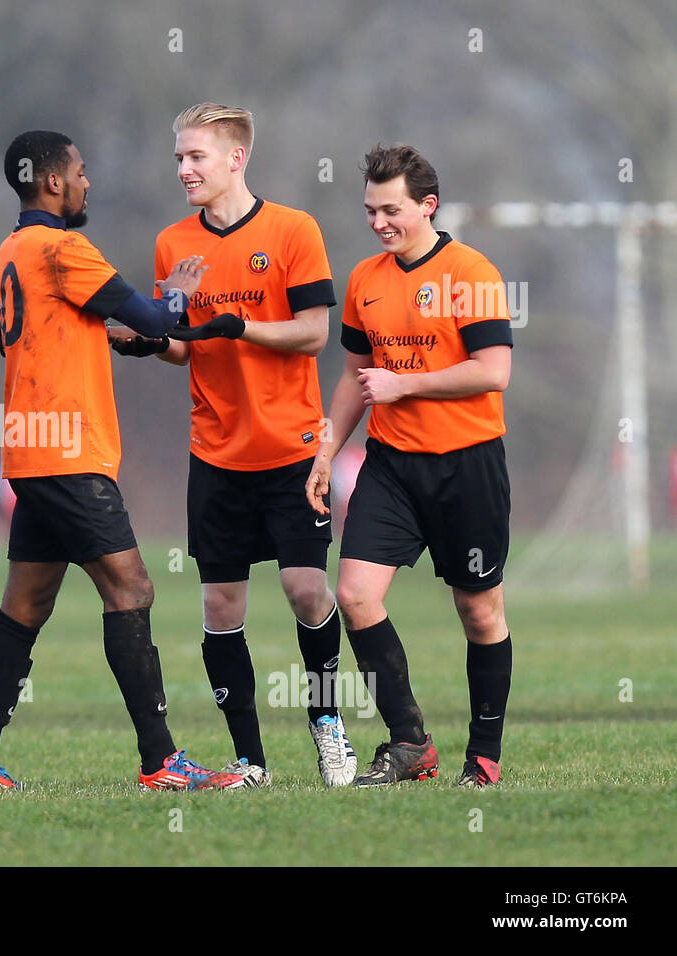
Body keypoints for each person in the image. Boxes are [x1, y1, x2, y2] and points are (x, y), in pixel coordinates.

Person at [0, 129, 245, 791]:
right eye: (80, 171)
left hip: (31, 448)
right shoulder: (63, 247)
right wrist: (180, 292)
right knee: (132, 589)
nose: (86, 183)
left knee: (25, 604)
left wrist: (122, 330)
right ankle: (163, 763)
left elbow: (42, 333)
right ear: (52, 182)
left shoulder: (11, 251)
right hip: (68, 452)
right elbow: (155, 317)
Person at [112, 103, 356, 788]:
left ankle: (328, 726)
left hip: (292, 449)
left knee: (307, 589)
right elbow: (184, 349)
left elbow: (312, 333)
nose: (184, 170)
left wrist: (238, 325)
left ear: (235, 158)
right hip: (216, 455)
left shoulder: (292, 230)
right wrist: (145, 340)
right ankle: (251, 761)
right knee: (221, 607)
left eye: (195, 158)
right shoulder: (172, 245)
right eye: (179, 160)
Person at [304, 144, 513, 788]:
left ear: (428, 205)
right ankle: (410, 742)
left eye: (390, 210)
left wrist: (406, 385)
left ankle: (482, 757)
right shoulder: (366, 278)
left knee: (478, 614)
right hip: (393, 466)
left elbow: (493, 371)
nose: (377, 222)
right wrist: (325, 449)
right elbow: (351, 377)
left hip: (467, 466)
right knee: (355, 595)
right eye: (369, 210)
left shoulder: (472, 272)